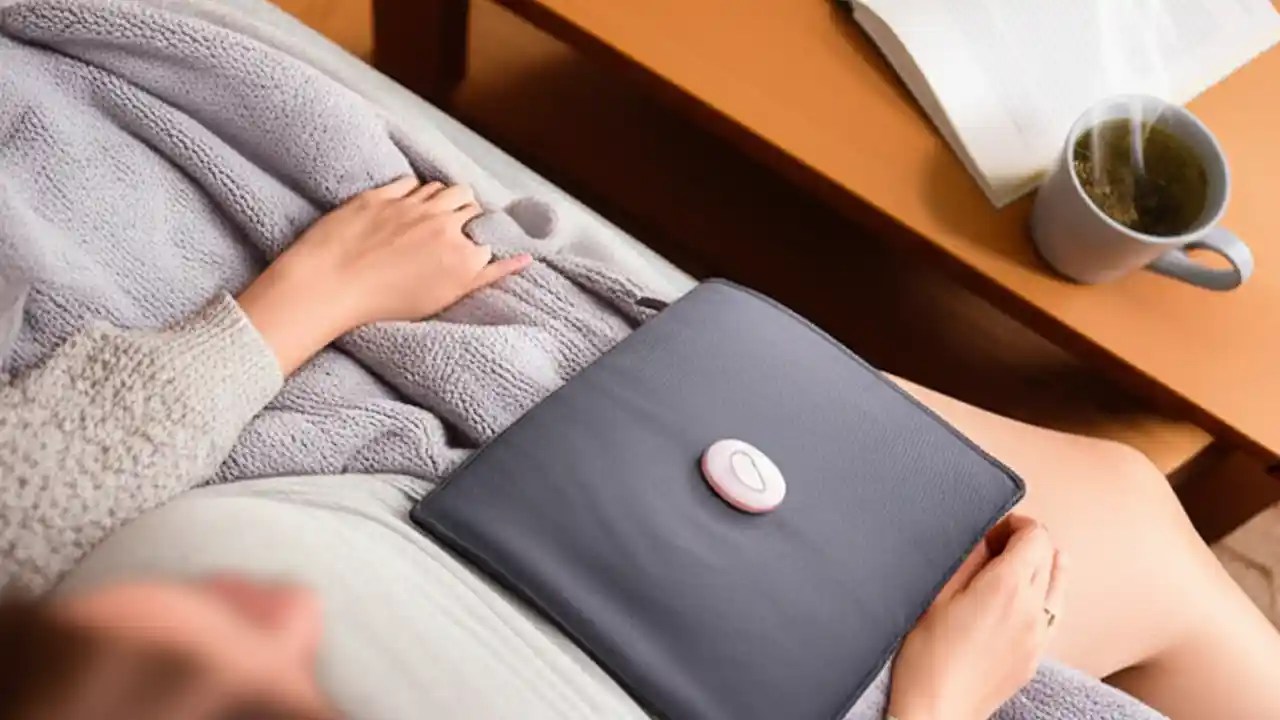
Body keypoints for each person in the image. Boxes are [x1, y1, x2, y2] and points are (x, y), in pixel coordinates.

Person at [1, 179, 1277, 719]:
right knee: (1124, 522)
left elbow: (36, 492)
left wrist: (307, 298)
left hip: (541, 520)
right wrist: (941, 701)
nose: (286, 627)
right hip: (710, 659)